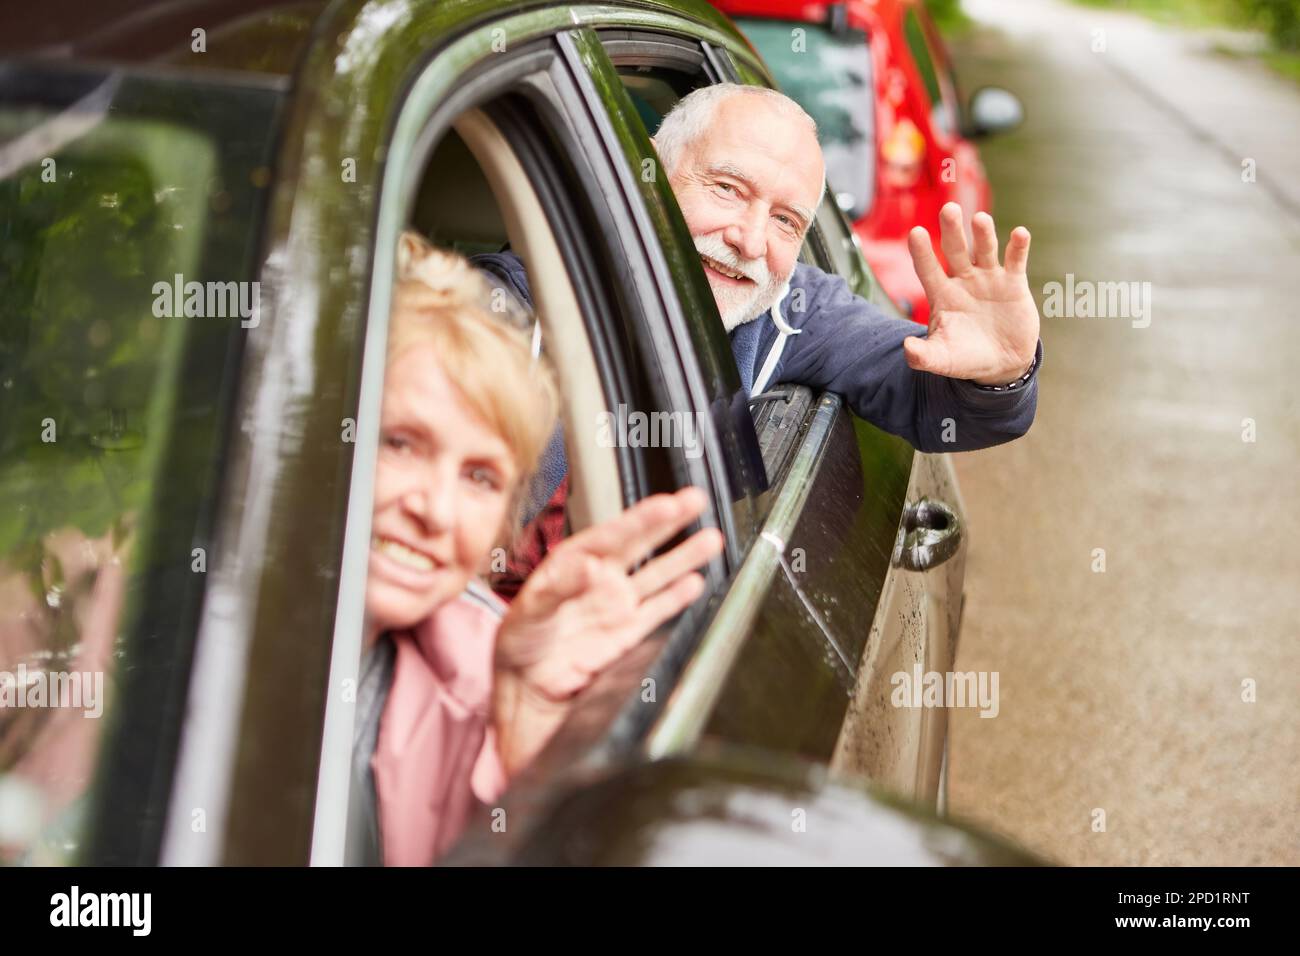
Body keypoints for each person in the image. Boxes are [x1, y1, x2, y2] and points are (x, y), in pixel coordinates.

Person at [350, 232, 724, 866]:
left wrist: (523, 734)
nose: (435, 510)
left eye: (480, 477)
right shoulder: (135, 620)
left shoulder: (487, 688)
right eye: (401, 443)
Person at [474, 82, 1044, 455]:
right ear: (643, 176)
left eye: (785, 221)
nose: (749, 241)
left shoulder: (790, 308)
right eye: (726, 189)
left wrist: (999, 375)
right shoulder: (502, 310)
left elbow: (931, 405)